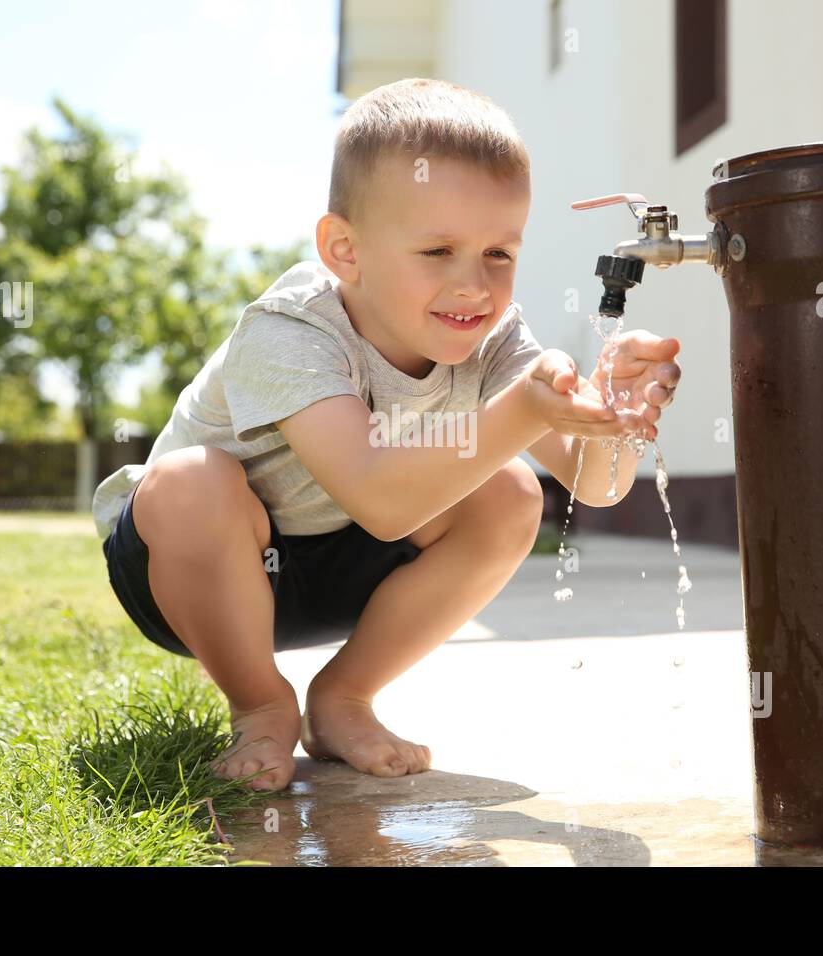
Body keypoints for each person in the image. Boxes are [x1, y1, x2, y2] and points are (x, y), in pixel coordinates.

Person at [93, 77, 682, 791]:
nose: (475, 285)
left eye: (499, 253)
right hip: (185, 568)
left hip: (341, 568)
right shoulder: (293, 329)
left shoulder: (496, 336)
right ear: (345, 250)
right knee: (192, 482)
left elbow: (595, 482)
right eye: (437, 251)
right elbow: (379, 496)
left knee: (510, 493)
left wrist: (611, 416)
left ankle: (343, 699)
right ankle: (259, 705)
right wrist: (526, 411)